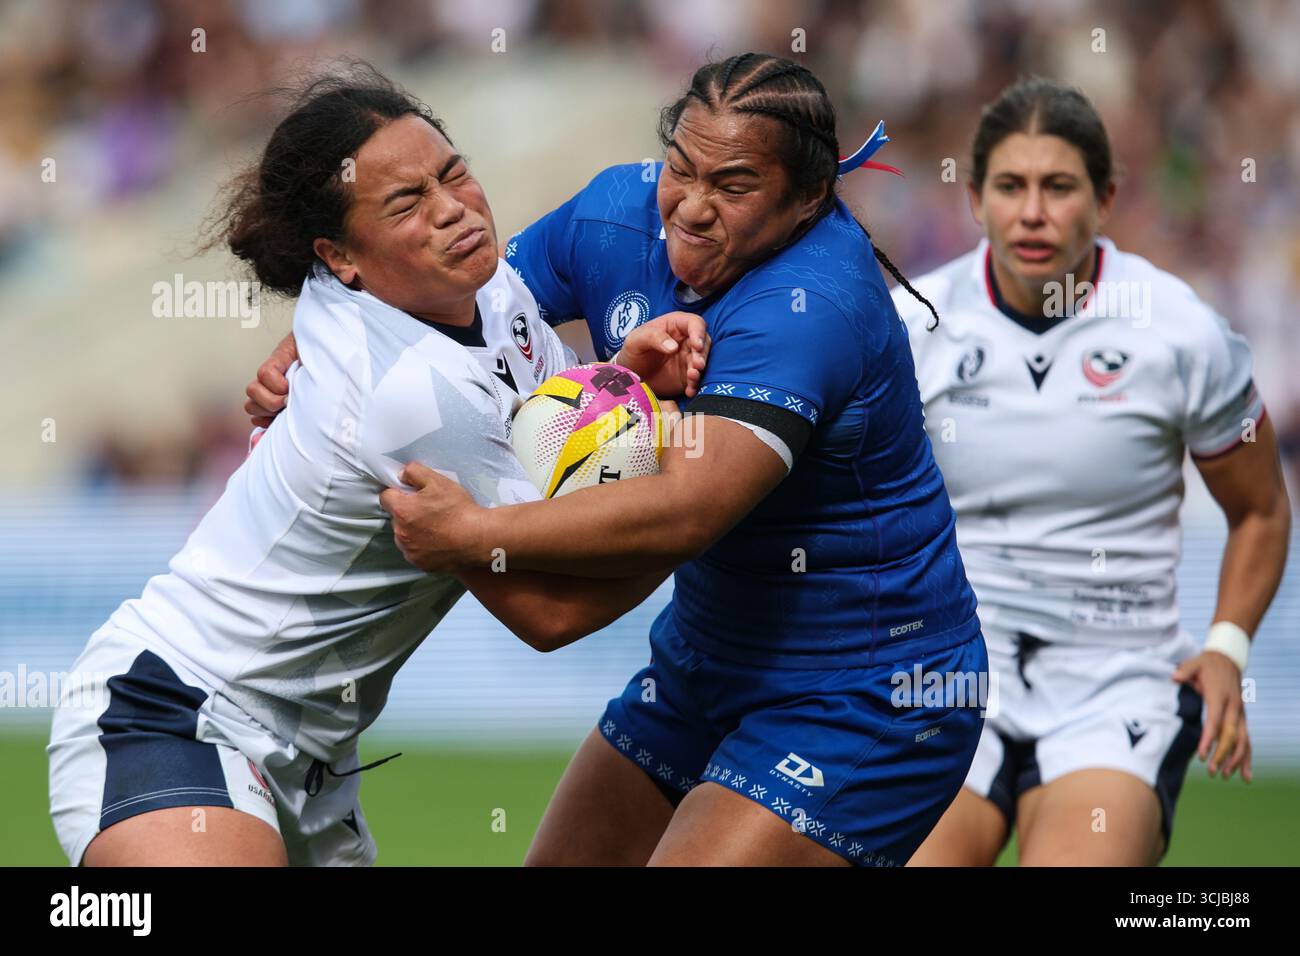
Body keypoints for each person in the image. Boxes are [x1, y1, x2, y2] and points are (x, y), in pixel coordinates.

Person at [250, 52, 988, 867]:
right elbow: (447, 298)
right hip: (702, 665)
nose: (693, 209)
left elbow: (687, 510)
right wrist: (321, 337)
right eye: (682, 169)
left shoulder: (812, 303)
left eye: (734, 188)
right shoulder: (612, 212)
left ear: (809, 197)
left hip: (869, 690)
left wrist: (477, 533)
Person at [47, 66, 707, 867]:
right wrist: (703, 496)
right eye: (406, 203)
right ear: (339, 258)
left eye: (452, 171)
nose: (453, 208)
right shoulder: (406, 392)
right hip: (180, 710)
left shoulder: (484, 286)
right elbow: (549, 612)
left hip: (313, 761)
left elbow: (538, 430)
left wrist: (623, 385)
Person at [891, 78, 1292, 866]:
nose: (1033, 211)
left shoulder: (1181, 333)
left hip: (1118, 685)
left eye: (1059, 187)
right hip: (948, 673)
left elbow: (1262, 511)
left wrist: (1227, 648)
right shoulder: (911, 326)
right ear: (974, 198)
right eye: (1010, 186)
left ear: (1105, 197)